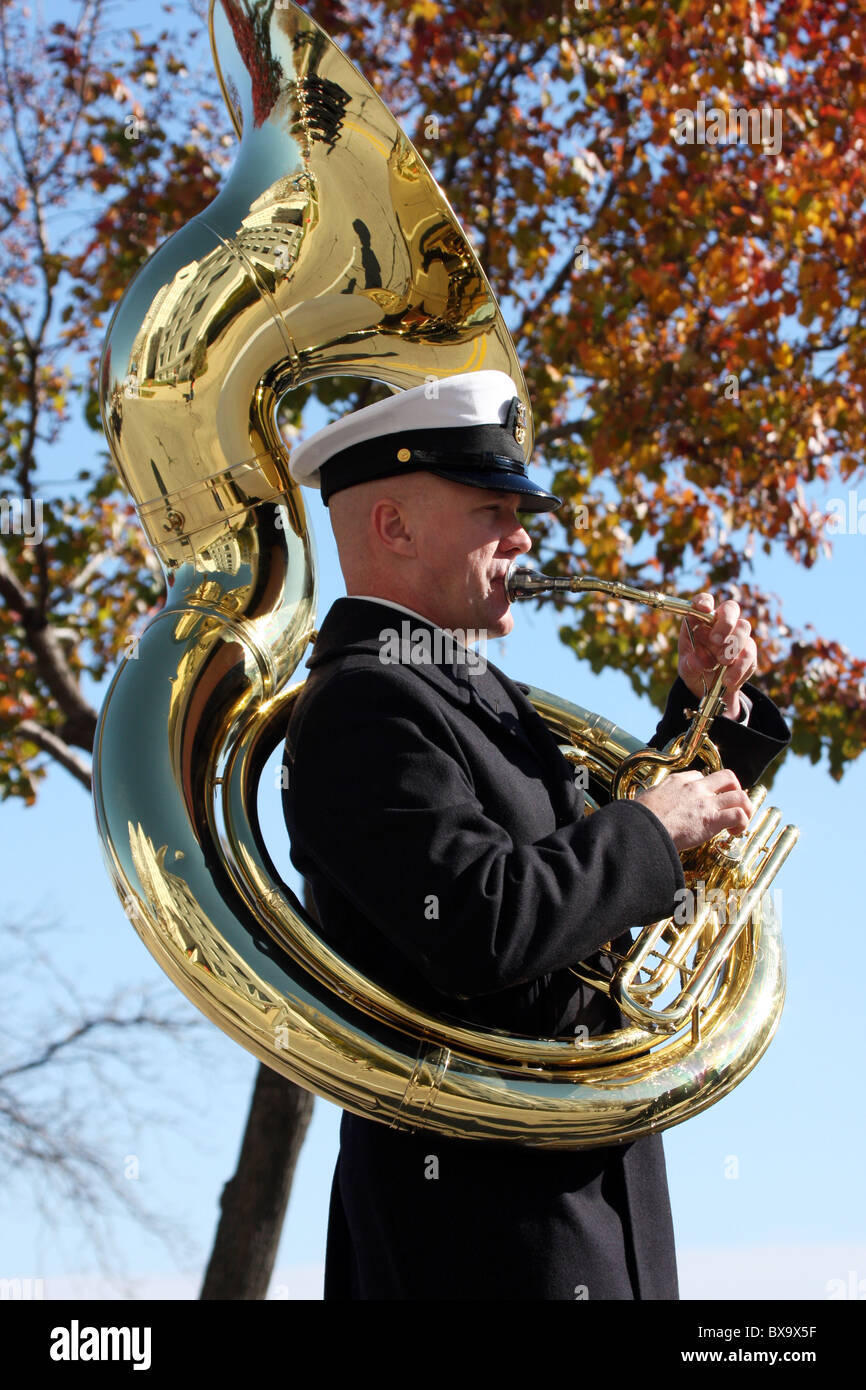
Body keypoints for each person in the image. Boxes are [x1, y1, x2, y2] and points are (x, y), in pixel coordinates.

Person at [281, 369, 791, 1300]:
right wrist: (650, 828)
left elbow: (592, 881)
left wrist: (710, 706)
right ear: (393, 527)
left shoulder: (464, 691)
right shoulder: (365, 702)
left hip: (584, 1217)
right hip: (476, 1242)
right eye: (493, 509)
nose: (522, 537)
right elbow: (484, 924)